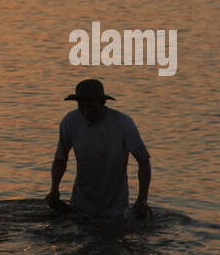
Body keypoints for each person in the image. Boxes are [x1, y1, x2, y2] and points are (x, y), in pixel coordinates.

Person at [46, 79, 151, 220]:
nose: (87, 113)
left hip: (116, 208)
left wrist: (141, 200)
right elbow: (60, 159)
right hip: (80, 204)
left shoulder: (122, 124)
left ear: (103, 103)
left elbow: (143, 161)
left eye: (92, 108)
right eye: (82, 108)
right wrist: (54, 189)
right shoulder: (70, 122)